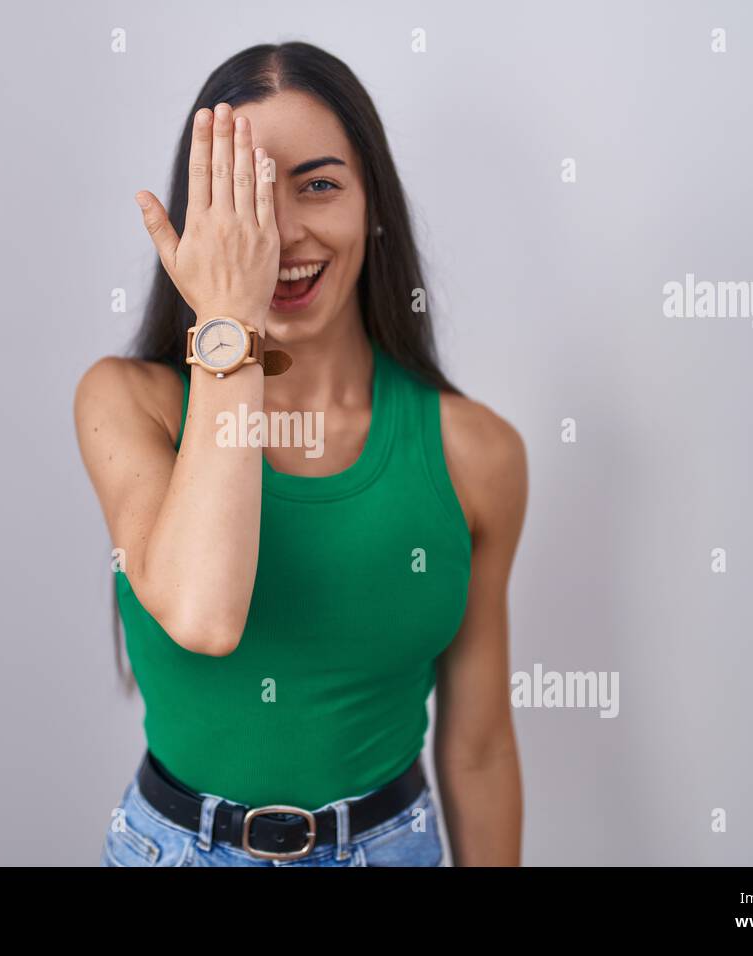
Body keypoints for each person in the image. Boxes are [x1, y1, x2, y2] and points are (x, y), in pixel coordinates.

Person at [75, 42, 527, 866]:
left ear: (374, 205)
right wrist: (229, 328)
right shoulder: (125, 401)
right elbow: (205, 615)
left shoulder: (478, 451)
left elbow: (479, 748)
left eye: (318, 184)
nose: (278, 234)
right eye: (241, 197)